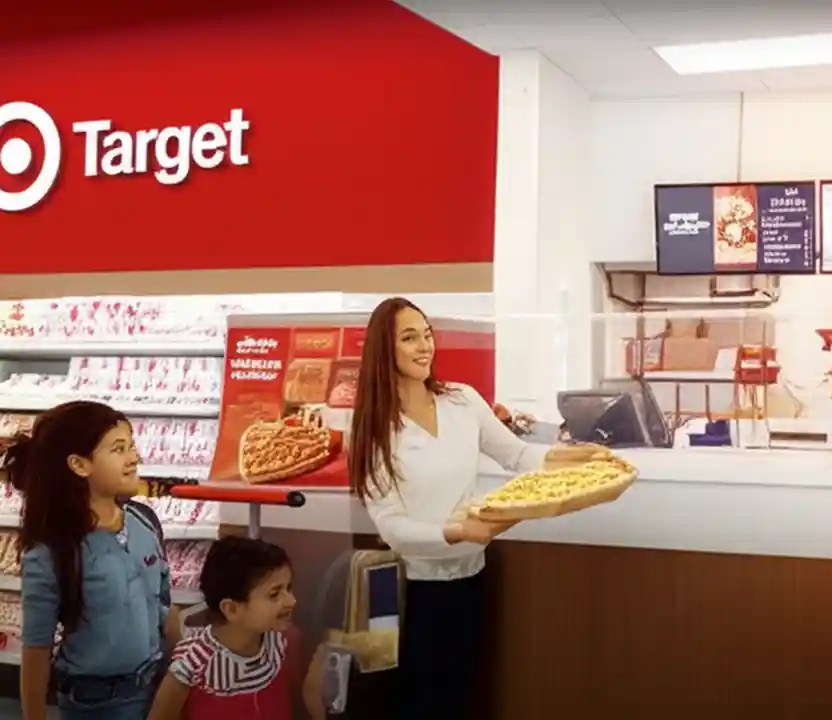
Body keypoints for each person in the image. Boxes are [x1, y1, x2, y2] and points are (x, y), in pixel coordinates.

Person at [347, 297, 560, 718]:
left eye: (427, 335)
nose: (424, 346)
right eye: (410, 338)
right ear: (383, 350)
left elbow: (518, 456)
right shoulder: (373, 427)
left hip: (471, 579)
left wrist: (571, 458)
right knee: (408, 701)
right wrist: (457, 531)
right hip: (406, 590)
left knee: (459, 697)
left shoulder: (461, 400)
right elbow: (391, 526)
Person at [7, 402, 171, 720]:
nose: (133, 458)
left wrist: (183, 671)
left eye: (132, 446)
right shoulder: (51, 552)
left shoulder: (143, 522)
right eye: (118, 449)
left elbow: (164, 604)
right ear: (79, 465)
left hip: (156, 691)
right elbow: (37, 649)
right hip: (97, 706)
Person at [147, 536, 321, 720]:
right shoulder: (192, 664)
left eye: (289, 588)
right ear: (231, 609)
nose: (291, 601)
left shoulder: (284, 644)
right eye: (274, 594)